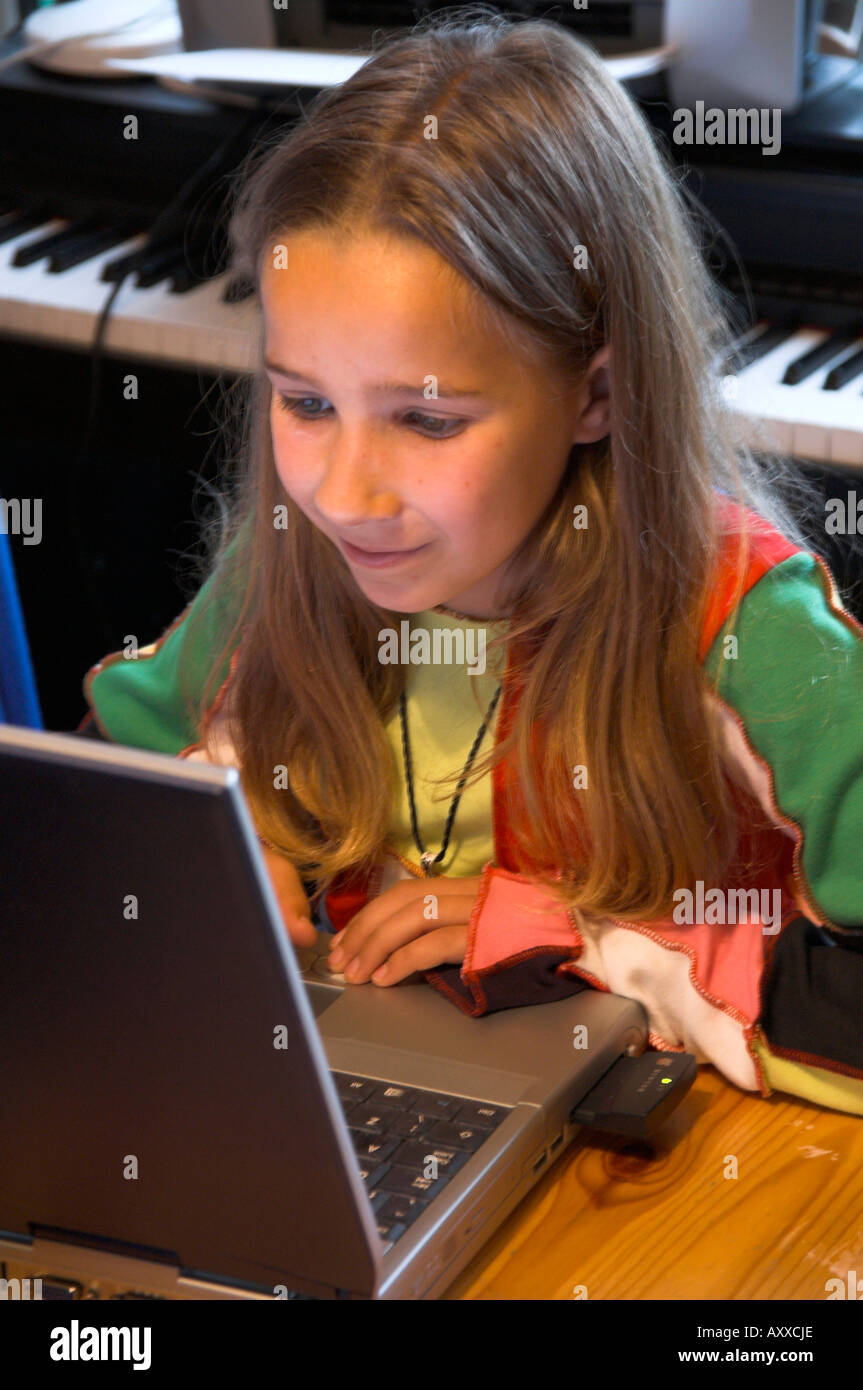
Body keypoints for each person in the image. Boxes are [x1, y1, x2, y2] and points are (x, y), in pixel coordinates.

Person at [77, 9, 863, 1115]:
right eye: (304, 402)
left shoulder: (746, 625)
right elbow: (95, 790)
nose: (344, 494)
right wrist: (208, 835)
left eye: (427, 421)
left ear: (595, 393)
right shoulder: (293, 566)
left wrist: (594, 942)